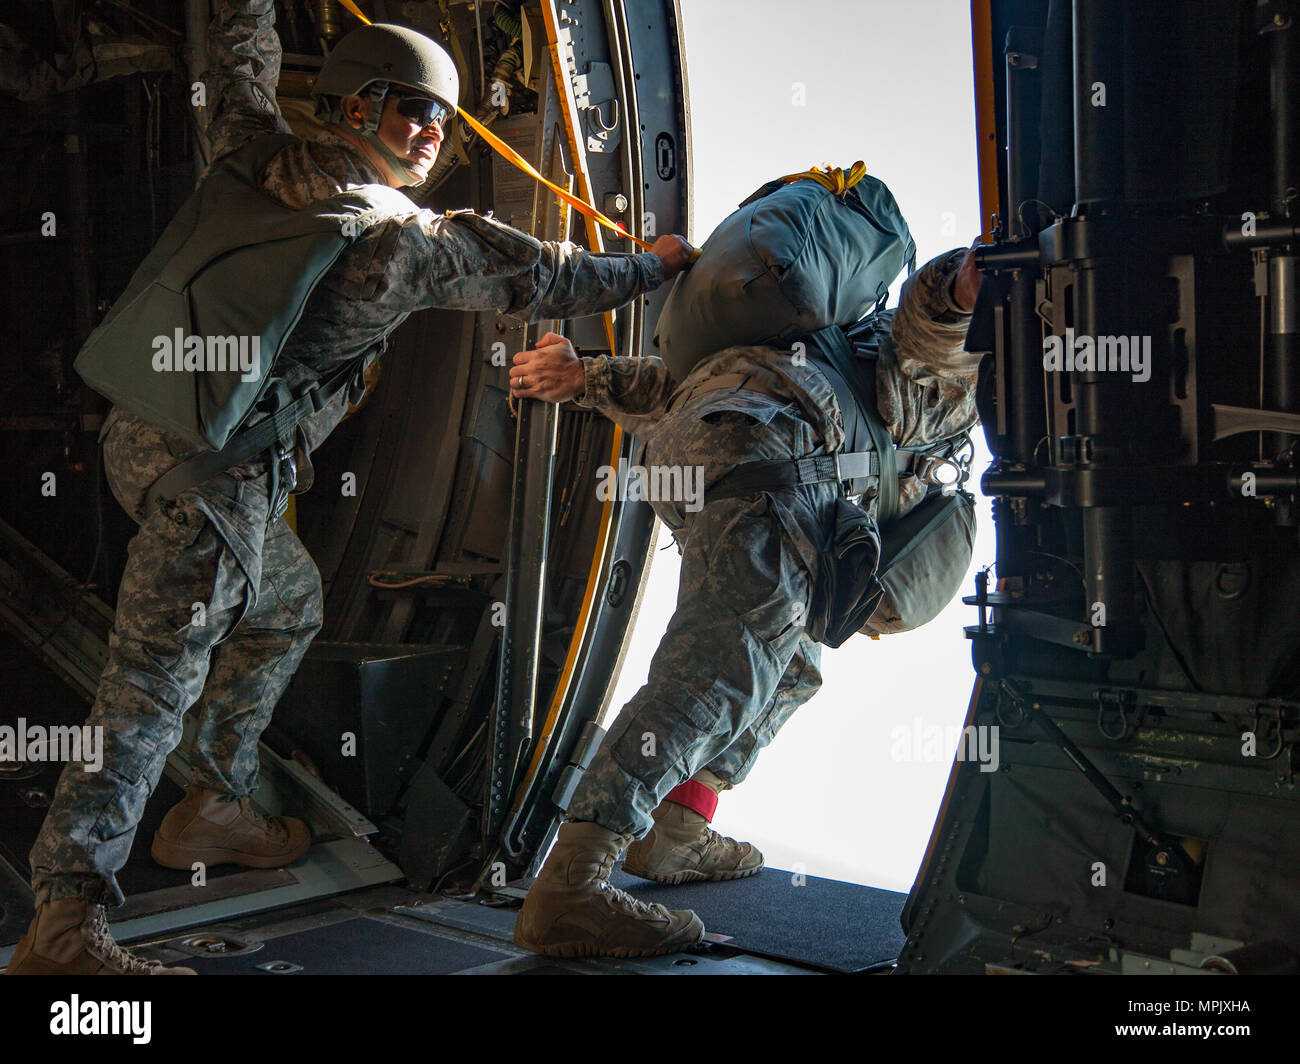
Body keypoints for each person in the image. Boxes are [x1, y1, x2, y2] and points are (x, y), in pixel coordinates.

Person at [5, 1, 692, 976]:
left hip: (146, 444)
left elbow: (242, 51)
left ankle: (217, 803)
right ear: (352, 109)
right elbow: (548, 275)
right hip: (214, 488)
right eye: (409, 108)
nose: (431, 130)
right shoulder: (398, 237)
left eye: (442, 118)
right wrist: (652, 263)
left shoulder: (248, 146)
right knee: (147, 694)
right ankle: (65, 925)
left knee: (290, 600)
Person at [508, 239, 982, 958]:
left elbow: (685, 387)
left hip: (716, 451)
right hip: (773, 463)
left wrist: (584, 378)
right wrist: (967, 289)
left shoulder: (826, 351)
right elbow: (931, 324)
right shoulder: (950, 375)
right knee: (720, 674)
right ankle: (572, 884)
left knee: (792, 664)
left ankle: (676, 830)